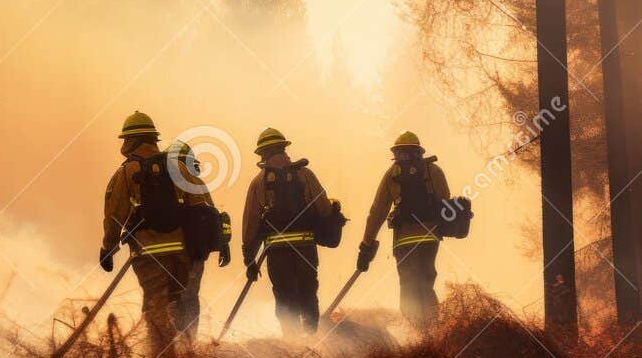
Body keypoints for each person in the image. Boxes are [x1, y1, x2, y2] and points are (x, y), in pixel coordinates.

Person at [101, 111, 189, 355]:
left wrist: (107, 249)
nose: (124, 145)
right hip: (181, 254)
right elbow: (200, 207)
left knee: (155, 308)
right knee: (173, 303)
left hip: (149, 253)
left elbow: (114, 215)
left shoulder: (126, 172)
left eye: (126, 140)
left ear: (134, 140)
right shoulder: (179, 167)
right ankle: (187, 353)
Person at [241, 127, 337, 336]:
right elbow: (324, 208)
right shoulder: (305, 174)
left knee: (285, 296)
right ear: (284, 148)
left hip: (277, 252)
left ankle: (291, 342)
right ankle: (311, 339)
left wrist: (249, 257)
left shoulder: (259, 182)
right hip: (305, 248)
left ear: (263, 154)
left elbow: (251, 222)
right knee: (308, 292)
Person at [357, 131, 451, 328]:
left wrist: (367, 245)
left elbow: (378, 212)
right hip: (429, 239)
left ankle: (416, 331)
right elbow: (445, 201)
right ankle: (433, 330)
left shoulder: (393, 174)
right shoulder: (433, 170)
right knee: (425, 283)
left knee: (408, 285)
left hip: (404, 241)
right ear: (419, 151)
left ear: (397, 153)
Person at [168, 139, 231, 339]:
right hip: (197, 253)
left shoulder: (169, 181)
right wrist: (223, 245)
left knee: (173, 295)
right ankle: (190, 340)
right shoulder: (199, 184)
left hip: (175, 251)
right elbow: (213, 216)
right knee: (190, 295)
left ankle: (174, 340)